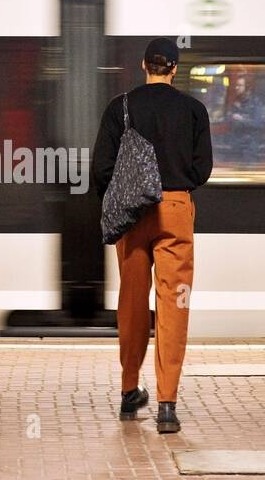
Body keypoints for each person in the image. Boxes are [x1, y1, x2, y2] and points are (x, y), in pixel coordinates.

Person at [91, 37, 212, 435]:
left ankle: (129, 390)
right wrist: (175, 186)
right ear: (175, 69)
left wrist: (123, 199)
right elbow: (202, 169)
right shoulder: (194, 109)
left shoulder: (120, 106)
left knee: (131, 301)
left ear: (144, 65)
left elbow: (102, 170)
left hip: (132, 212)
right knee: (174, 304)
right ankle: (167, 403)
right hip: (175, 211)